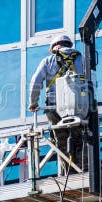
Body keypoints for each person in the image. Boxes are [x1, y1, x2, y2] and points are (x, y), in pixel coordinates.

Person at [28, 35, 85, 173]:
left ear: (54, 47)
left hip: (54, 107)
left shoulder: (48, 61)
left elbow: (35, 82)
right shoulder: (82, 59)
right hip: (78, 106)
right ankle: (82, 169)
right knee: (80, 138)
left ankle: (67, 172)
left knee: (60, 141)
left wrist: (33, 103)